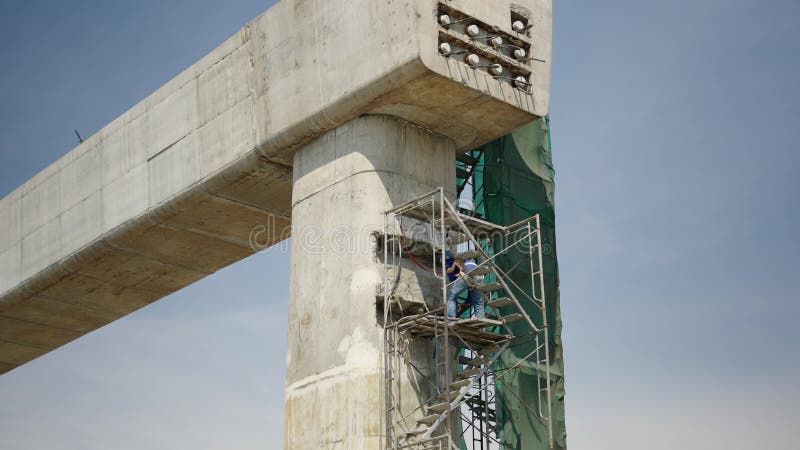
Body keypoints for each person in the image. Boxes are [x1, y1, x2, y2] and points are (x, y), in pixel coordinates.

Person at [445, 253, 485, 319]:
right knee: (479, 302)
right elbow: (471, 292)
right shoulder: (473, 263)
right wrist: (467, 302)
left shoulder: (459, 259)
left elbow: (452, 269)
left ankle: (451, 318)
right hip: (479, 278)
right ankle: (480, 320)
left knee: (451, 297)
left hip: (467, 275)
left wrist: (453, 271)